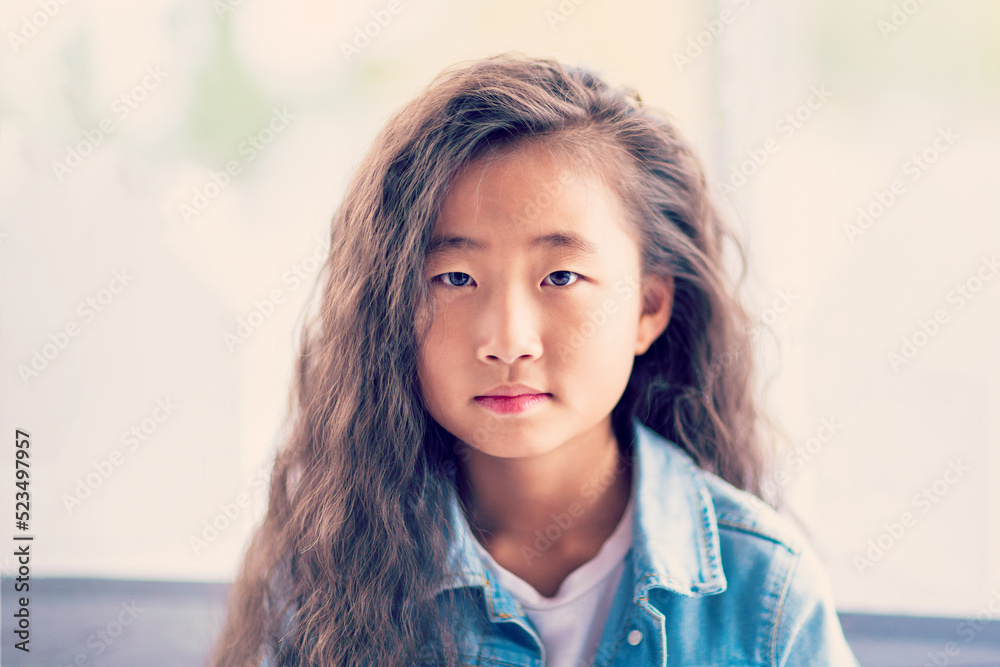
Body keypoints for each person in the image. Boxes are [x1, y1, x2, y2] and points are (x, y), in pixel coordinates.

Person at [211, 53, 860, 667]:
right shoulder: (326, 574)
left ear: (649, 306)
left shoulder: (765, 589)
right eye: (455, 278)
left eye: (561, 276)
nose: (508, 340)